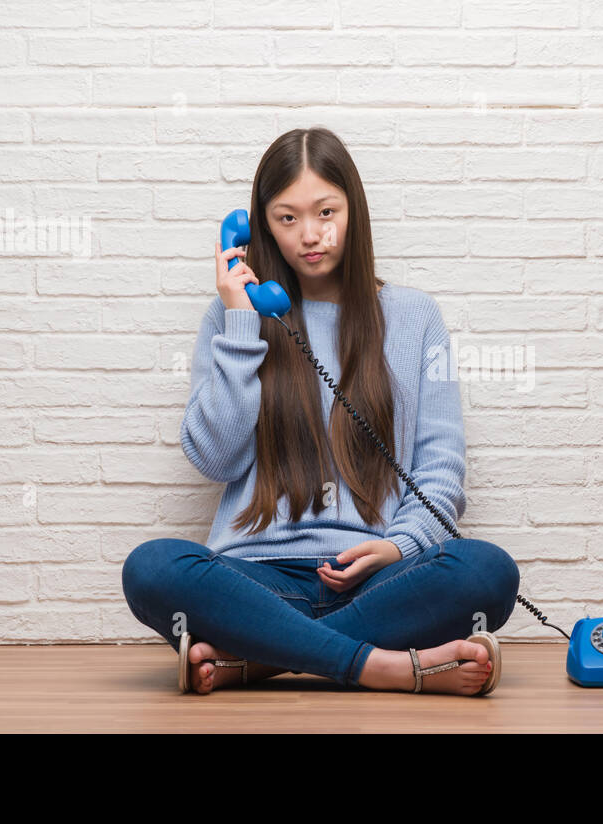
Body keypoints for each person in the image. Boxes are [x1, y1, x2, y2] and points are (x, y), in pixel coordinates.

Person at [121, 127, 521, 696]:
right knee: (153, 568)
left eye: (326, 212)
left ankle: (259, 659)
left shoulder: (414, 316)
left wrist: (397, 546)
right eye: (286, 219)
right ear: (258, 229)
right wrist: (241, 324)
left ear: (352, 209)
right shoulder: (233, 316)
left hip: (376, 580)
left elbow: (439, 469)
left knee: (487, 572)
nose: (310, 235)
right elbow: (214, 458)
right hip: (254, 579)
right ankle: (386, 667)